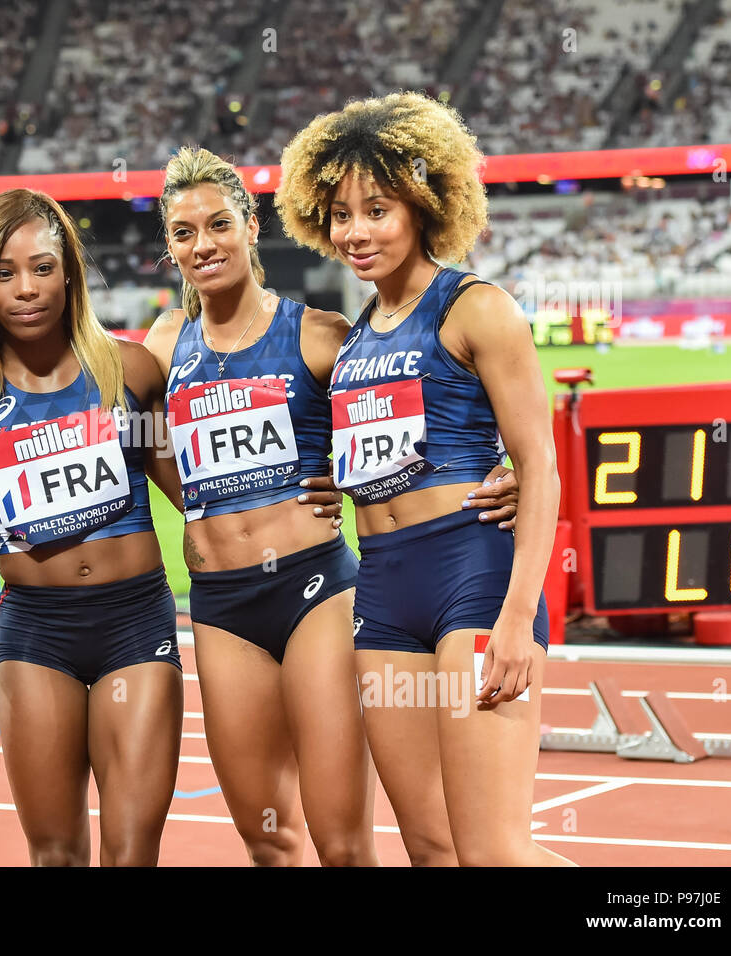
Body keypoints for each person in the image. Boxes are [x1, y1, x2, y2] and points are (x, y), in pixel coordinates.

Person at [146, 146, 519, 866]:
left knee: (341, 841)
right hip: (220, 603)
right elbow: (136, 441)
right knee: (266, 838)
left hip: (315, 588)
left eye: (218, 224)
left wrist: (516, 475)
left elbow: (406, 420)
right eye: (184, 232)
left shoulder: (321, 337)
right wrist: (199, 505)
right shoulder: (166, 343)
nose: (202, 245)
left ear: (251, 226)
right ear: (169, 244)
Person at [275, 91, 573, 865]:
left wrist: (518, 618)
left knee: (492, 853)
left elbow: (539, 467)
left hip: (471, 579)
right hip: (383, 595)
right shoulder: (350, 342)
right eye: (340, 214)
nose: (357, 231)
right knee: (432, 846)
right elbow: (390, 448)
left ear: (423, 202)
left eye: (377, 208)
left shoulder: (477, 308)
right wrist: (337, 483)